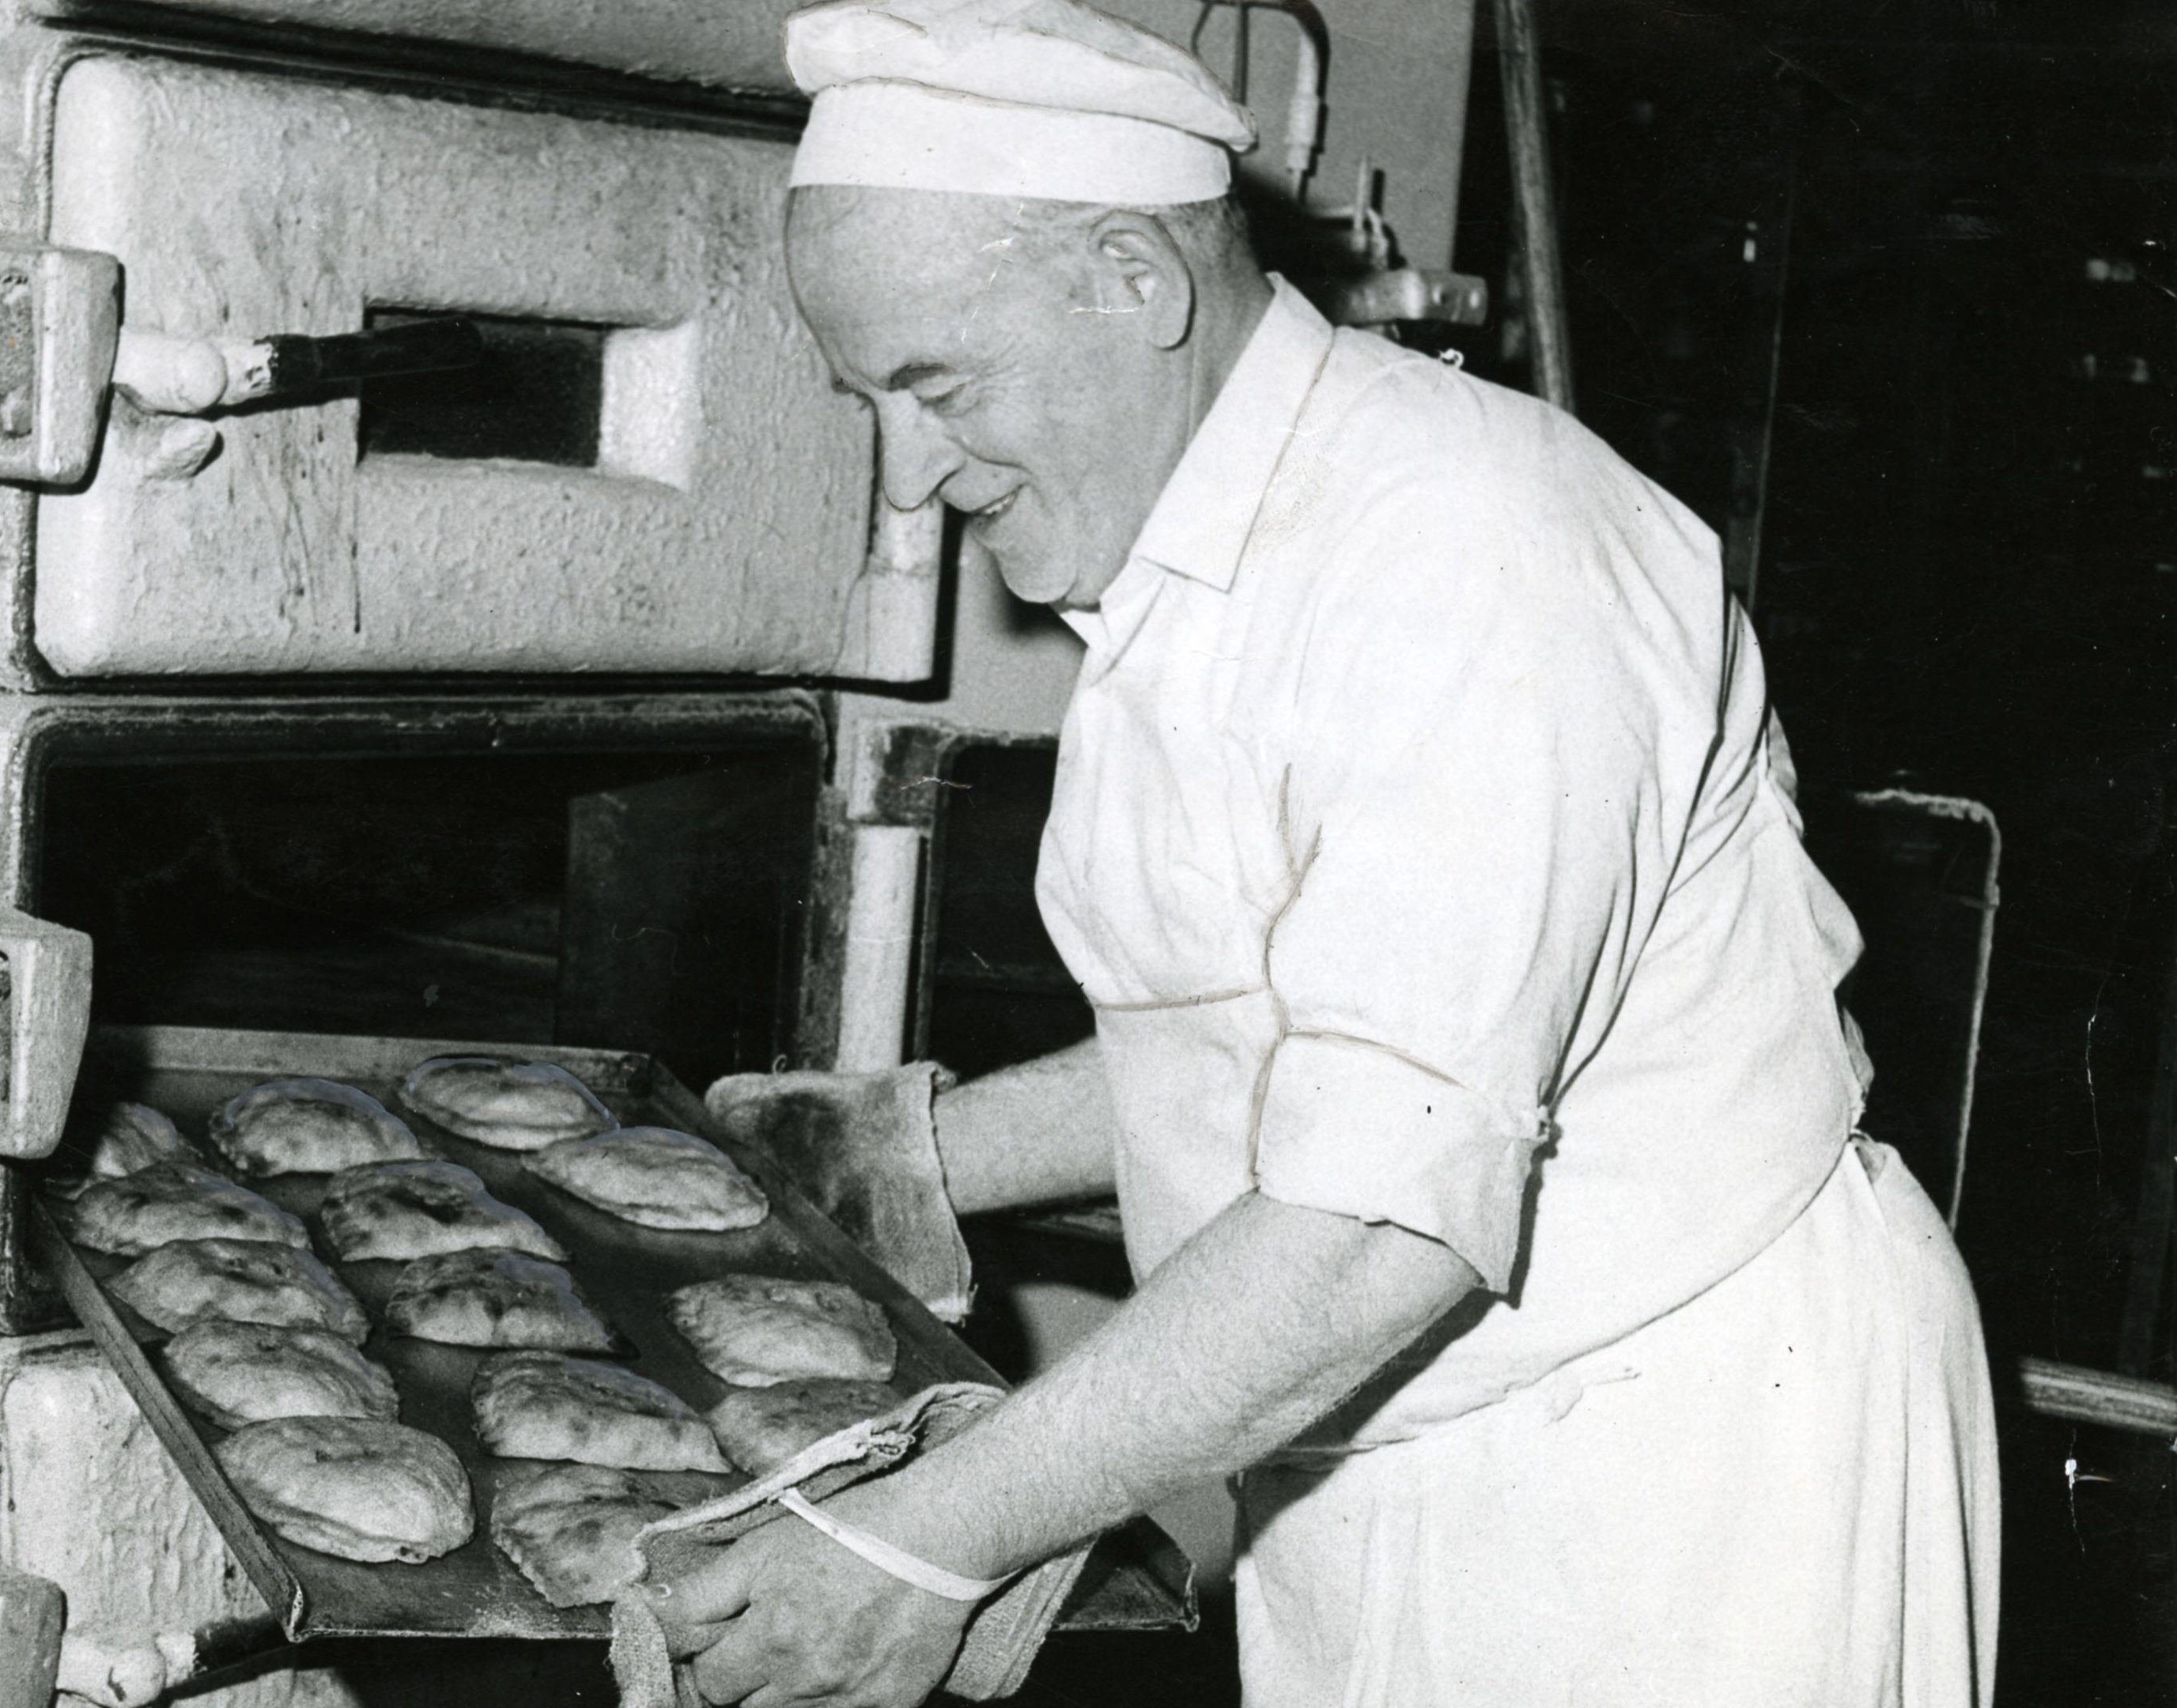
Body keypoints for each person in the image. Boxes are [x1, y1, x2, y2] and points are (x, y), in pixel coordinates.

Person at [663, 2, 2002, 1702]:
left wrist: (924, 1543)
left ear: (1132, 278)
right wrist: (903, 1157)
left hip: (1668, 1481)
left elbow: (1382, 1216)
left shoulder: (1464, 556)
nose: (908, 476)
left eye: (937, 385)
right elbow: (1294, 1037)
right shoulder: (1196, 563)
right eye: (871, 400)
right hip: (1382, 1449)